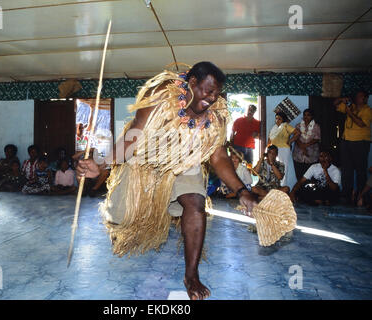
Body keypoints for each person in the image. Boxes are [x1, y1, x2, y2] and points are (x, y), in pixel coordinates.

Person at [76, 62, 257, 300]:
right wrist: (101, 165)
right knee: (120, 217)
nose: (213, 98)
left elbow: (219, 156)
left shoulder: (217, 117)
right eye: (208, 91)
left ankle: (191, 276)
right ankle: (119, 220)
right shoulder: (161, 97)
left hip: (185, 163)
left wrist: (242, 191)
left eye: (216, 93)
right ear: (192, 83)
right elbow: (134, 136)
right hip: (144, 161)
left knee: (195, 203)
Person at [334, 90, 371, 205]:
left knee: (360, 170)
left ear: (365, 99)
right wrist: (341, 99)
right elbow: (335, 105)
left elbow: (361, 123)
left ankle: (361, 196)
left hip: (360, 142)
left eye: (359, 96)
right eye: (356, 96)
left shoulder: (368, 110)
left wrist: (349, 113)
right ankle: (346, 195)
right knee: (346, 170)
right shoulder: (352, 106)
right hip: (346, 141)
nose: (357, 98)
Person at [268, 111, 300, 187]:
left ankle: (282, 186)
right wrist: (267, 149)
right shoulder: (274, 128)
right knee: (273, 167)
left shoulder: (286, 126)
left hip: (283, 150)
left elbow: (298, 133)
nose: (277, 120)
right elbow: (269, 140)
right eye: (276, 119)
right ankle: (274, 185)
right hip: (274, 150)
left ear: (283, 120)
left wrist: (290, 141)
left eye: (279, 119)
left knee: (283, 168)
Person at [292, 109, 321, 181]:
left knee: (310, 178)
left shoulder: (316, 126)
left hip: (311, 156)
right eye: (304, 115)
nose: (306, 117)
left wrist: (305, 146)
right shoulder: (298, 126)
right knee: (299, 177)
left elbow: (317, 139)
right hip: (298, 156)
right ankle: (300, 192)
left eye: (308, 115)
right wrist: (302, 146)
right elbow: (296, 138)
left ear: (312, 116)